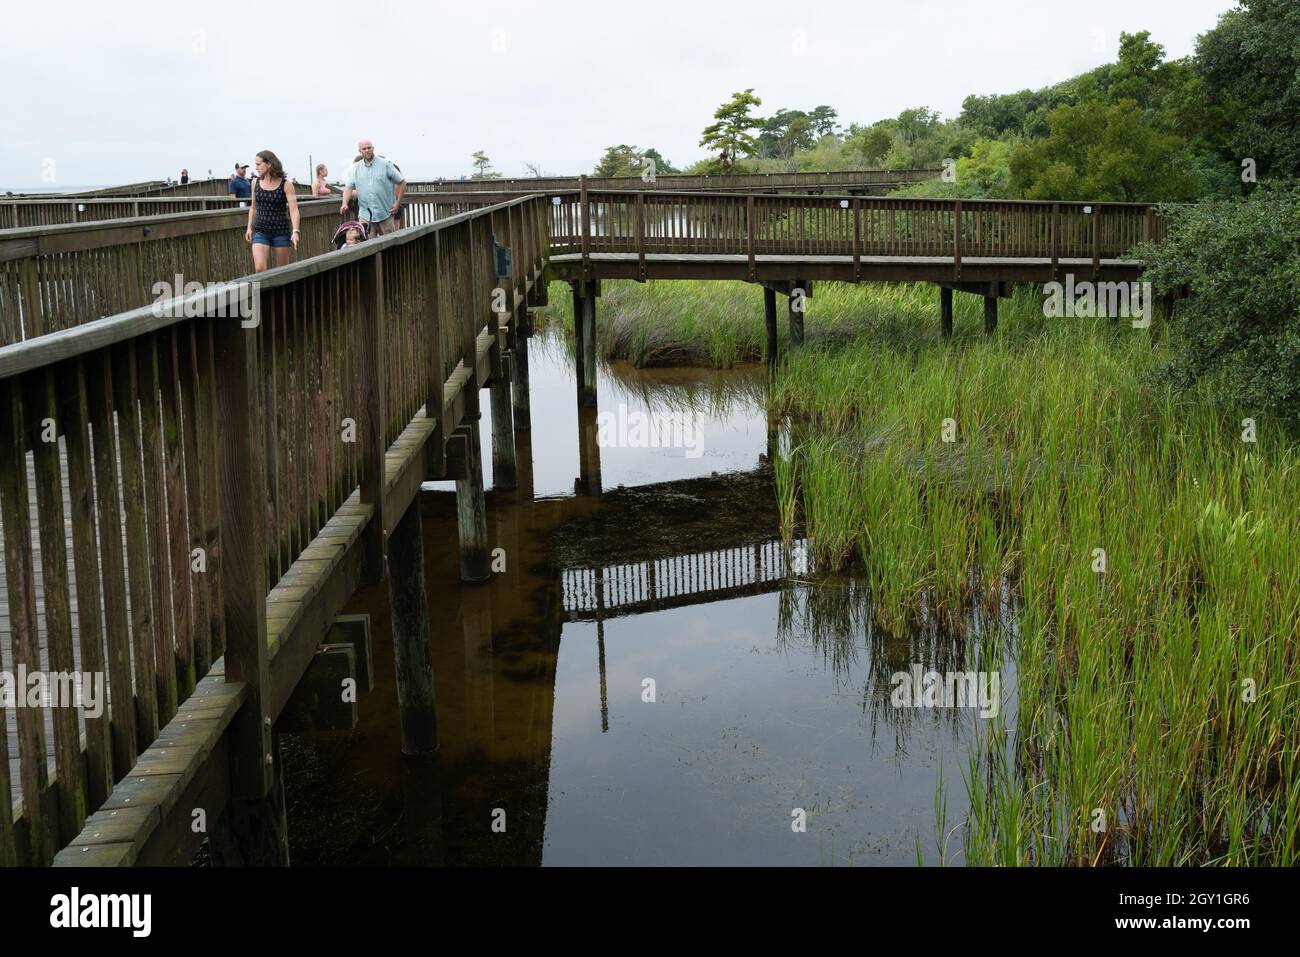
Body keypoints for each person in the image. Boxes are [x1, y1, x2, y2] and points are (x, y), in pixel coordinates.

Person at [245, 150, 301, 272]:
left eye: (259, 164)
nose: (256, 167)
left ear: (269, 164)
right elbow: (253, 208)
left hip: (280, 232)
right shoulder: (255, 183)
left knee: (282, 272)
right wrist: (249, 227)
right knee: (260, 268)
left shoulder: (286, 185)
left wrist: (295, 231)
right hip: (260, 231)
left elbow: (294, 210)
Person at [341, 139, 405, 237]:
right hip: (365, 216)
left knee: (390, 247)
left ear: (373, 148)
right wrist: (344, 204)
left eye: (369, 148)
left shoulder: (385, 164)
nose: (367, 150)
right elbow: (348, 188)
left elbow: (402, 182)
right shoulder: (355, 168)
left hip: (385, 214)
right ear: (360, 151)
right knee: (366, 246)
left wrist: (397, 203)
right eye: (364, 148)